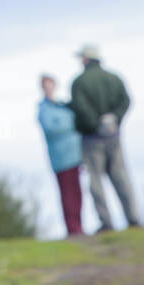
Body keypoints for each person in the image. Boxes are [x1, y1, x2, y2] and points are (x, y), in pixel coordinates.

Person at [70, 44, 139, 231]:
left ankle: (106, 222)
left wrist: (94, 125)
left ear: (86, 59)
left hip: (92, 140)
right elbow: (126, 100)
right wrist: (114, 119)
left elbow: (80, 108)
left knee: (95, 181)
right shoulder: (114, 78)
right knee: (121, 177)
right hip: (113, 136)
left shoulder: (79, 82)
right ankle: (133, 218)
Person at [37, 75, 83, 238]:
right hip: (61, 159)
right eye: (47, 86)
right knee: (67, 193)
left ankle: (79, 226)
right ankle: (73, 228)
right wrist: (72, 125)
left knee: (77, 192)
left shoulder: (62, 105)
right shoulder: (44, 109)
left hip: (75, 154)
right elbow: (52, 128)